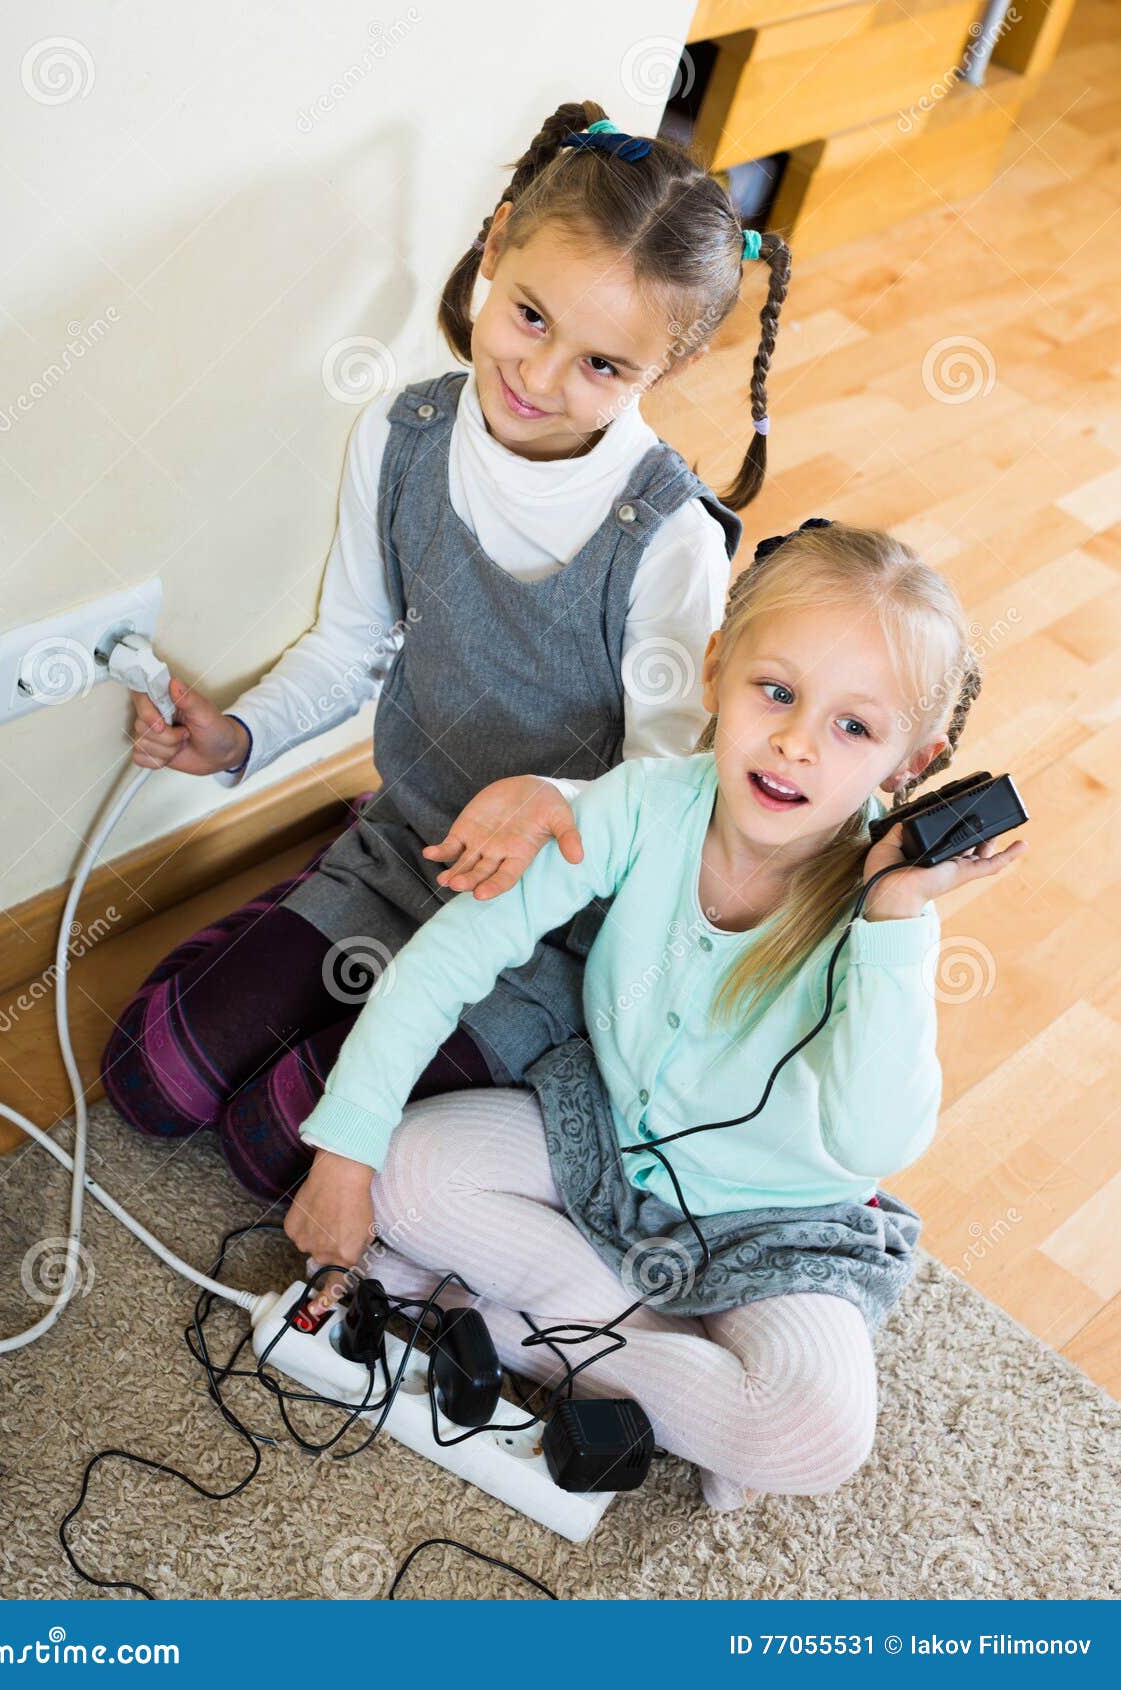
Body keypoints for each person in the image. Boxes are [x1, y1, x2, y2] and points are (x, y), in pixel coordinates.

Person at [102, 103, 794, 1206]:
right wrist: (237, 737)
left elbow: (671, 792)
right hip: (408, 852)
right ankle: (324, 916)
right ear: (499, 234)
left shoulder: (666, 535)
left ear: (669, 365)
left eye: (603, 364)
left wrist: (552, 799)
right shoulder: (403, 435)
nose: (539, 374)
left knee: (271, 1144)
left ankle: (523, 1052)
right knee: (150, 1078)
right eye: (527, 315)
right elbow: (347, 646)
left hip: (550, 922)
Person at [285, 518, 1027, 1510]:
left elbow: (870, 1139)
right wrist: (346, 1150)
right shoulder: (643, 805)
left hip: (781, 1223)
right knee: (408, 1176)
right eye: (776, 690)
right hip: (608, 1142)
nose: (797, 742)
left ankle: (503, 1324)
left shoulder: (877, 908)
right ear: (718, 668)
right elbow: (449, 959)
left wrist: (894, 917)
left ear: (911, 760)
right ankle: (662, 1368)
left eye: (854, 727)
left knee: (818, 1434)